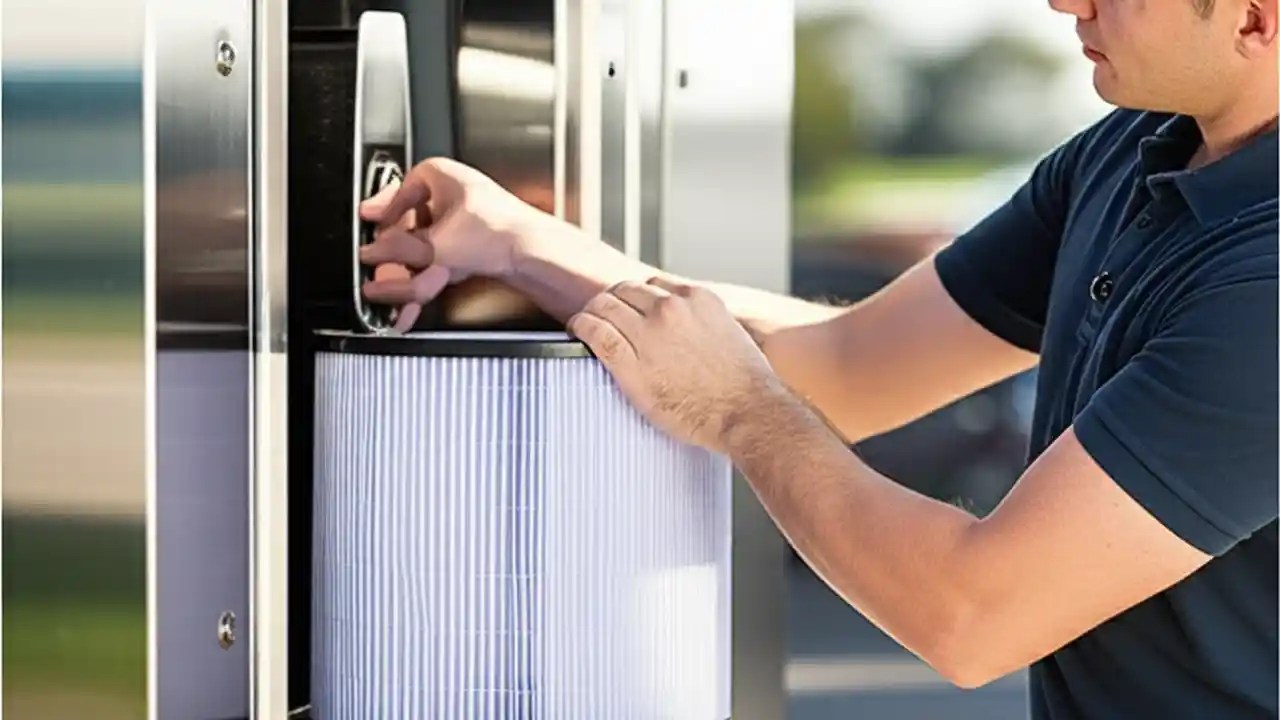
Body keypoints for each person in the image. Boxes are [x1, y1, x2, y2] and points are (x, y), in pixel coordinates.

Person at [356, 0, 1278, 716]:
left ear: (1254, 16)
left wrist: (741, 415)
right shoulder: (1125, 153)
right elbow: (844, 365)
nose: (1063, 3)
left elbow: (976, 614)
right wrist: (520, 246)